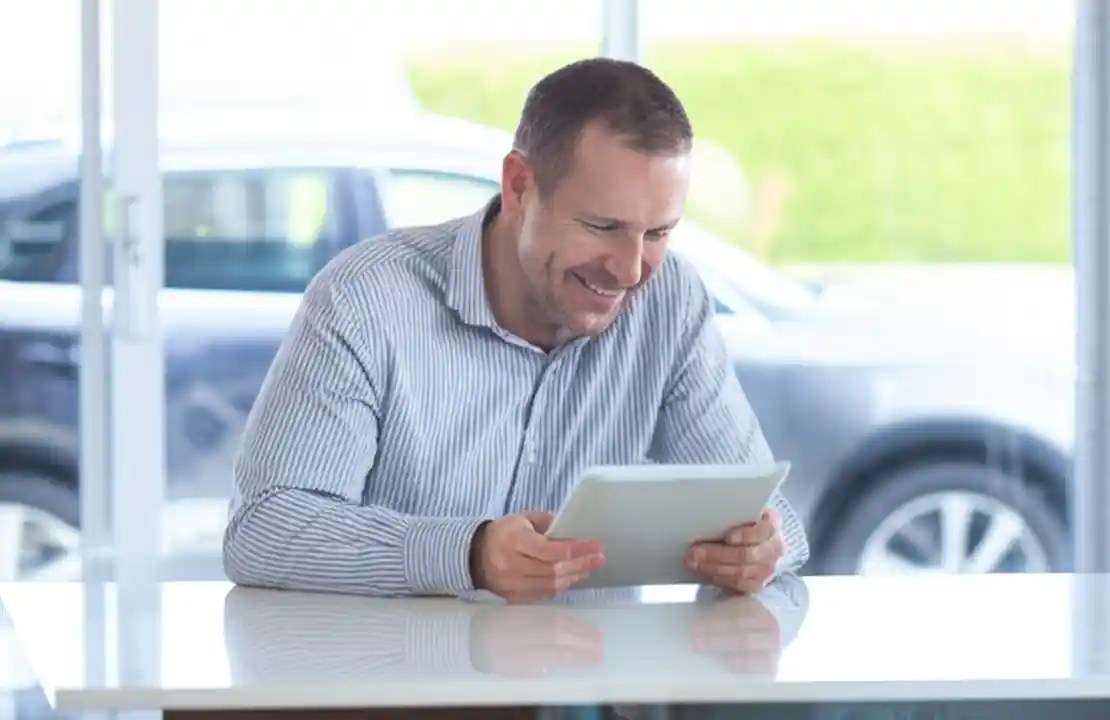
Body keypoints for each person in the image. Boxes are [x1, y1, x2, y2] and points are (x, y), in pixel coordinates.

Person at [222, 57, 809, 601]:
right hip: (398, 699)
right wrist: (468, 552)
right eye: (603, 226)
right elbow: (265, 529)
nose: (630, 270)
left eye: (657, 234)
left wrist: (762, 549)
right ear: (519, 186)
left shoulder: (670, 302)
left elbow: (766, 507)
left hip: (593, 698)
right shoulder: (365, 299)